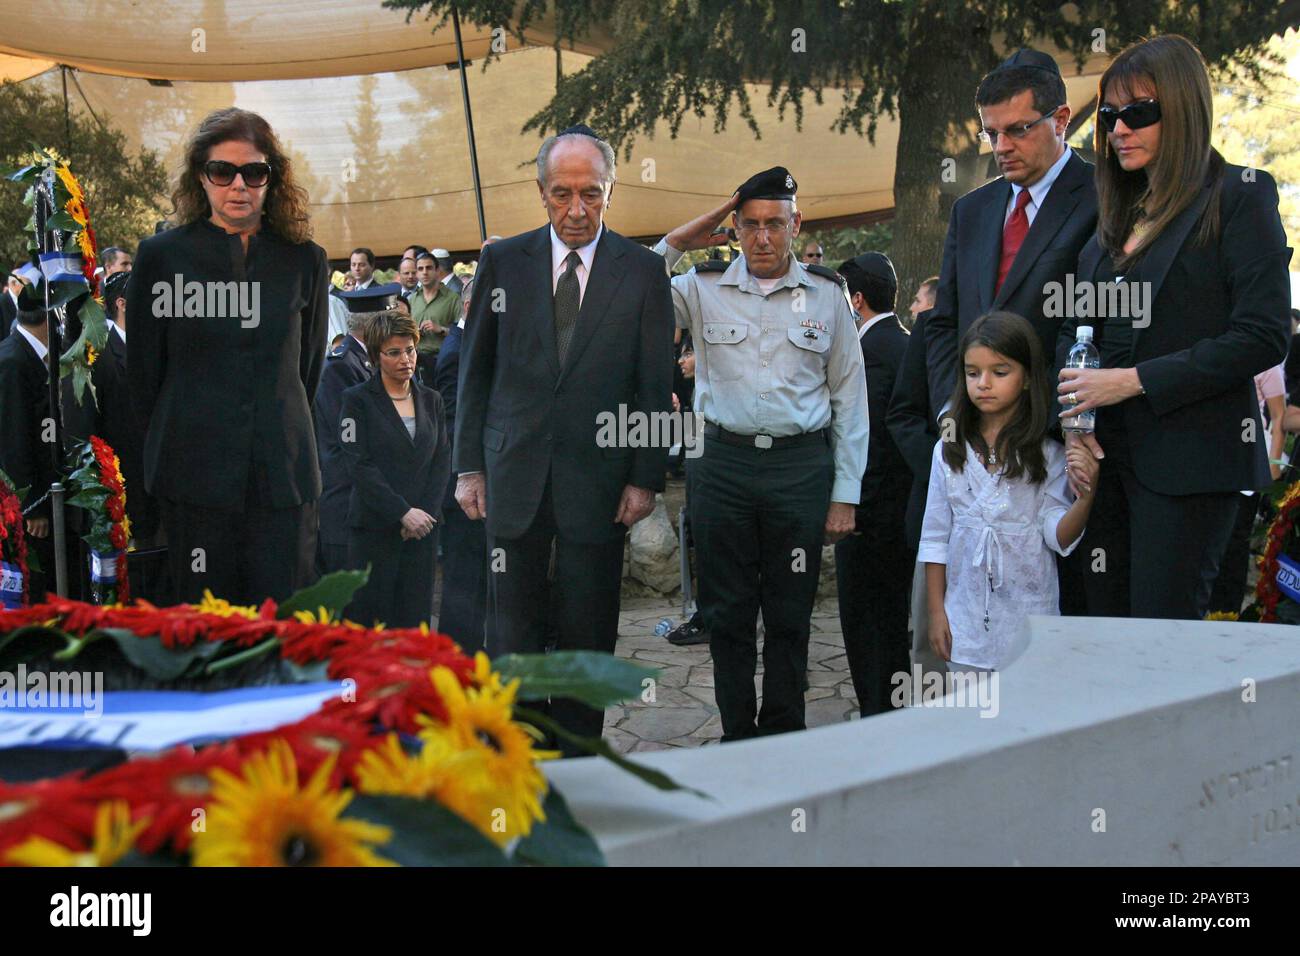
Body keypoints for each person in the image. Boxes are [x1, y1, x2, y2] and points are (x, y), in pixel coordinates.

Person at [454, 124, 674, 753]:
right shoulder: (501, 261)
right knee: (510, 637)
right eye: (562, 195)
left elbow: (654, 384)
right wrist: (468, 465)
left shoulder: (642, 271)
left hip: (600, 485)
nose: (577, 210)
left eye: (592, 195)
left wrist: (645, 477)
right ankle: (519, 765)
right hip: (510, 477)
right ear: (540, 192)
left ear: (611, 190)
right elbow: (477, 370)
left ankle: (580, 768)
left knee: (586, 635)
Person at [1056, 34, 1292, 620]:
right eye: (1109, 116)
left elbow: (1262, 334)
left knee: (1159, 647)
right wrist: (1075, 424)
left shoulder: (1239, 197)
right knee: (1101, 634)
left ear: (1183, 108)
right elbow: (1076, 329)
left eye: (1138, 113)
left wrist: (1133, 380)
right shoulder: (1113, 216)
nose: (1118, 129)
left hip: (1189, 467)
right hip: (1102, 465)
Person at [654, 166, 869, 741]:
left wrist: (845, 494)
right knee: (726, 613)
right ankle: (737, 736)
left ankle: (782, 733)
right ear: (733, 229)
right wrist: (678, 241)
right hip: (722, 467)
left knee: (790, 612)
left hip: (800, 470)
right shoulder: (700, 288)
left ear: (795, 224)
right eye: (749, 225)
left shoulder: (827, 294)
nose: (763, 238)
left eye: (775, 224)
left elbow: (850, 398)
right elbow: (632, 289)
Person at [127, 107, 328, 606]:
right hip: (193, 482)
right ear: (201, 176)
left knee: (284, 627)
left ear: (271, 178)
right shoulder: (160, 257)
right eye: (223, 171)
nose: (239, 185)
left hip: (283, 479)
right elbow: (145, 376)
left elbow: (308, 368)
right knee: (205, 631)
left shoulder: (305, 259)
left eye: (254, 172)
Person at [924, 47, 1098, 617]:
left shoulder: (1105, 197)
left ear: (1061, 120)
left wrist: (1057, 428)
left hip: (1058, 447)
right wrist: (957, 414)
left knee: (1062, 628)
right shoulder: (972, 211)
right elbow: (944, 323)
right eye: (990, 133)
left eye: (1018, 130)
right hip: (973, 443)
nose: (1001, 147)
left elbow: (1099, 325)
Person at [922, 312, 1097, 672]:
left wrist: (1086, 495)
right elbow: (935, 536)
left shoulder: (1047, 454)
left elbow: (1057, 535)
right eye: (973, 373)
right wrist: (936, 613)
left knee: (1026, 721)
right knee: (972, 719)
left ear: (1028, 378)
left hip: (1030, 622)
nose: (984, 383)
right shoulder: (949, 450)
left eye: (1000, 372)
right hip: (964, 623)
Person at [835, 252, 912, 716]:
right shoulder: (907, 343)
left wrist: (854, 508)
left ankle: (878, 717)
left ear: (856, 300)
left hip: (870, 517)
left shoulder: (868, 354)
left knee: (867, 627)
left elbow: (872, 441)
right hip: (899, 514)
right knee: (890, 623)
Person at [341, 311, 450, 629]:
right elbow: (358, 464)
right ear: (376, 356)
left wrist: (422, 515)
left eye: (410, 349)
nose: (406, 359)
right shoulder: (356, 400)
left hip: (422, 532)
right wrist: (402, 512)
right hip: (374, 529)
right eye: (394, 352)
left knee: (414, 625)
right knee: (370, 625)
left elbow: (441, 459)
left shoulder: (432, 400)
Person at [62, 271, 160, 545]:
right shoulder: (96, 354)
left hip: (158, 486)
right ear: (122, 303)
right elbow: (81, 427)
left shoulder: (158, 348)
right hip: (120, 484)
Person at [885, 298, 947, 685]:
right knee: (932, 640)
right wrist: (944, 471)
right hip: (936, 517)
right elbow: (903, 413)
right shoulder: (931, 325)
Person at [314, 286, 395, 575]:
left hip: (370, 503)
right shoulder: (340, 367)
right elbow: (351, 438)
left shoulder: (368, 361)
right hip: (349, 505)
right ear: (376, 324)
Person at [433, 276, 487, 654]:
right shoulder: (456, 350)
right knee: (463, 574)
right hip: (462, 475)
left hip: (475, 474)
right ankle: (457, 653)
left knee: (476, 571)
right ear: (470, 306)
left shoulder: (471, 342)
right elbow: (455, 419)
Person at [0, 302, 57, 596]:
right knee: (37, 580)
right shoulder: (13, 360)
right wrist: (32, 506)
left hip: (47, 490)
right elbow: (13, 438)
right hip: (32, 500)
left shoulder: (32, 353)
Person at [410, 251, 460, 379]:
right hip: (416, 361)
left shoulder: (453, 298)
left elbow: (464, 333)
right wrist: (413, 332)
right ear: (417, 273)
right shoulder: (411, 300)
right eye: (420, 269)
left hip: (443, 360)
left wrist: (441, 329)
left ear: (438, 271)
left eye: (429, 268)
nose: (425, 272)